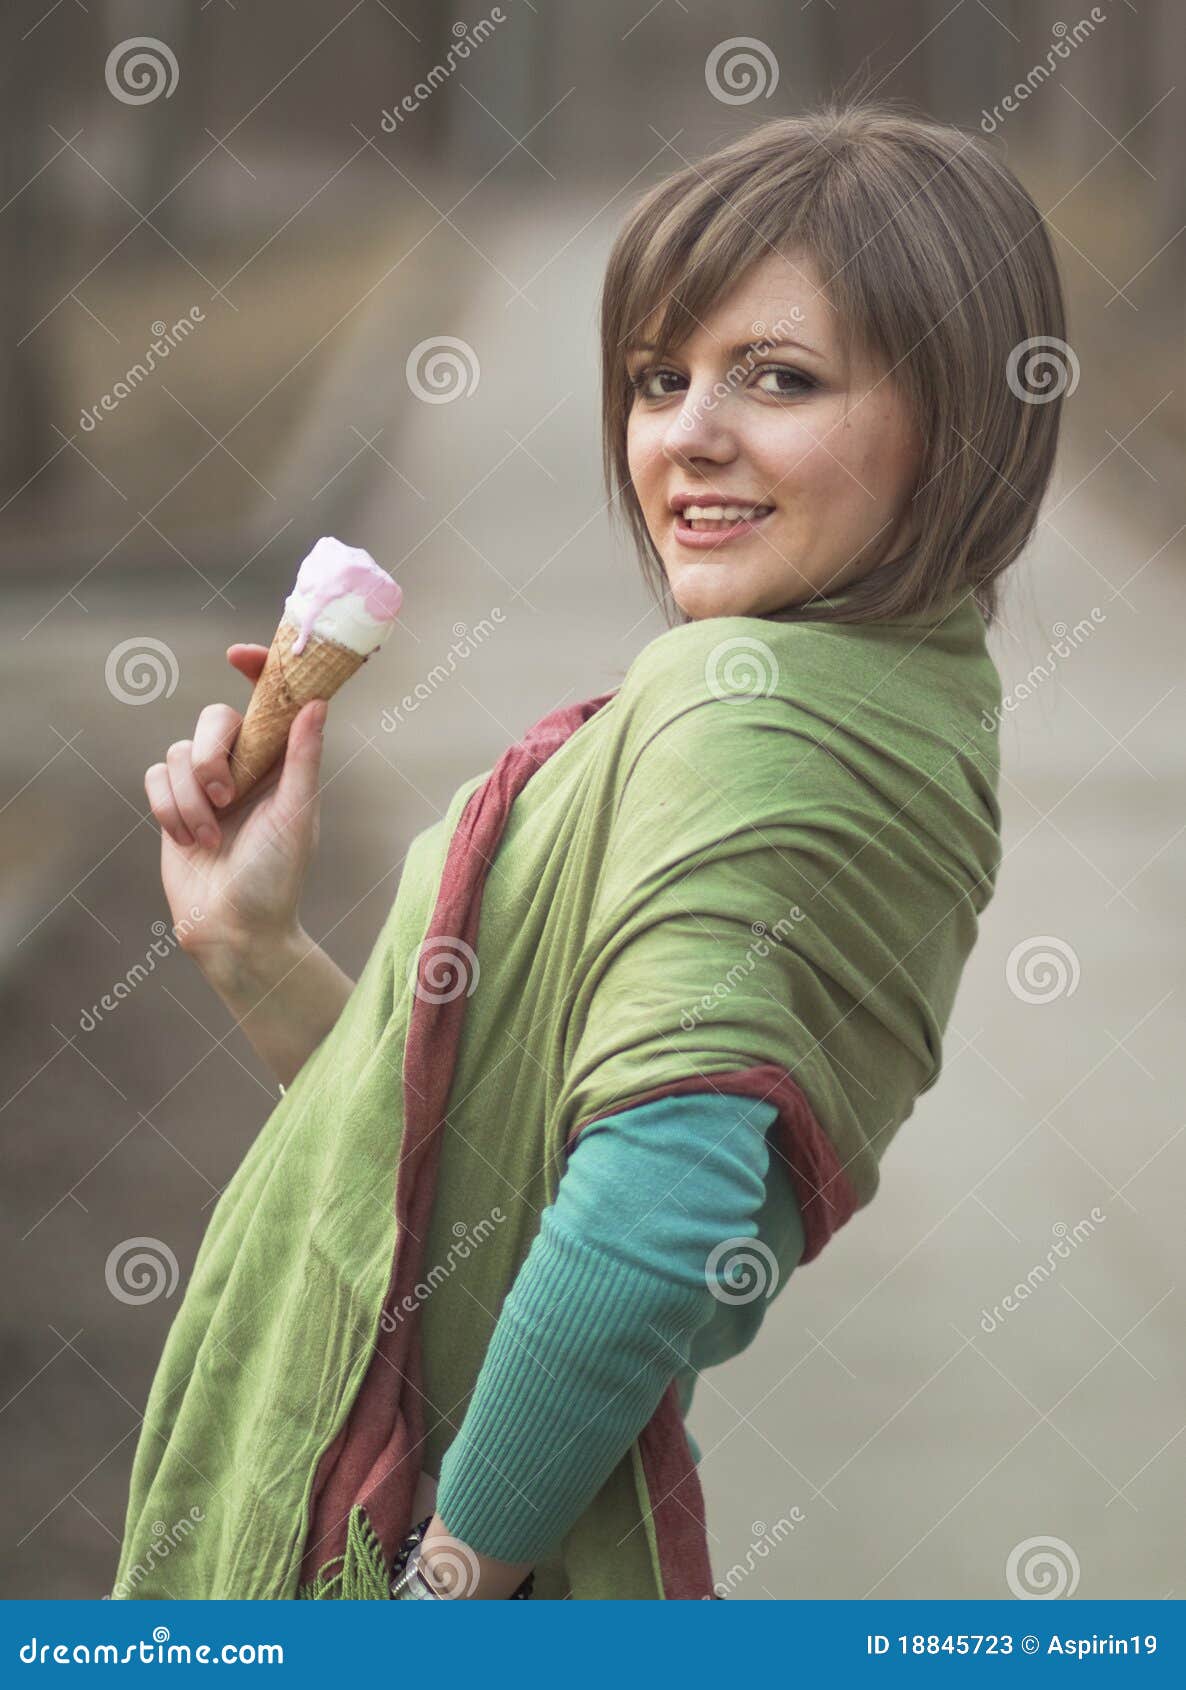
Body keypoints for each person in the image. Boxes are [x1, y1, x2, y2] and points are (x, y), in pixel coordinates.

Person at [116, 99, 1066, 1601]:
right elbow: (475, 1178)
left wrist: (441, 1592)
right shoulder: (913, 702)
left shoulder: (746, 719)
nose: (688, 433)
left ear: (957, 424)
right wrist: (253, 946)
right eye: (657, 378)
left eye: (780, 376)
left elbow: (655, 1218)